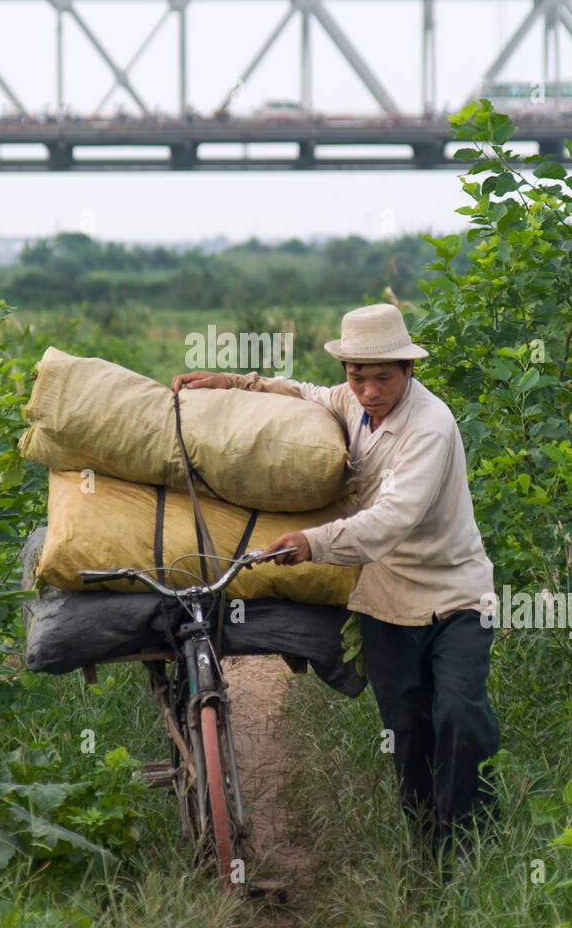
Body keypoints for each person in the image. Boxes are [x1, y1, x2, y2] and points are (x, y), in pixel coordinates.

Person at [171, 303, 500, 859]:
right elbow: (306, 394)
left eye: (382, 378)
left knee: (460, 718)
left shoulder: (431, 427)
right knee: (406, 731)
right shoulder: (350, 401)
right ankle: (428, 857)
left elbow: (393, 519)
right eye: (357, 376)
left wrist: (311, 542)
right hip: (383, 602)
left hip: (455, 598)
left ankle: (472, 853)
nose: (368, 391)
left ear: (409, 370)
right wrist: (236, 381)